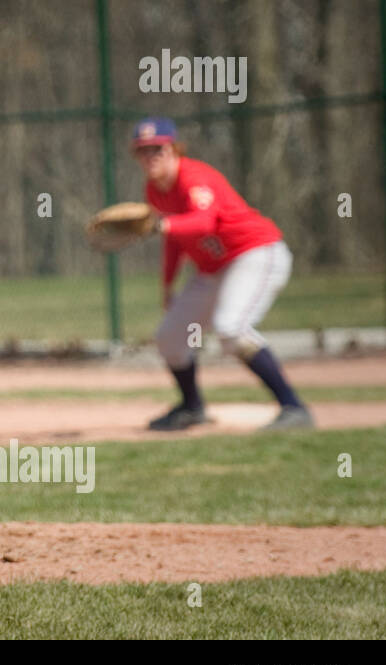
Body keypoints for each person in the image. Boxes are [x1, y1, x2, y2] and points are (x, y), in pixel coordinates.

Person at [132, 117, 313, 431]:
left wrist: (160, 224)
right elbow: (175, 240)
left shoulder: (194, 177)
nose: (150, 157)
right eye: (143, 151)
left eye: (157, 149)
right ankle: (192, 408)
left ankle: (294, 408)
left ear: (174, 149)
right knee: (170, 338)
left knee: (232, 328)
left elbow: (202, 222)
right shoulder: (155, 191)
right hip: (213, 270)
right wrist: (167, 285)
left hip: (256, 253)